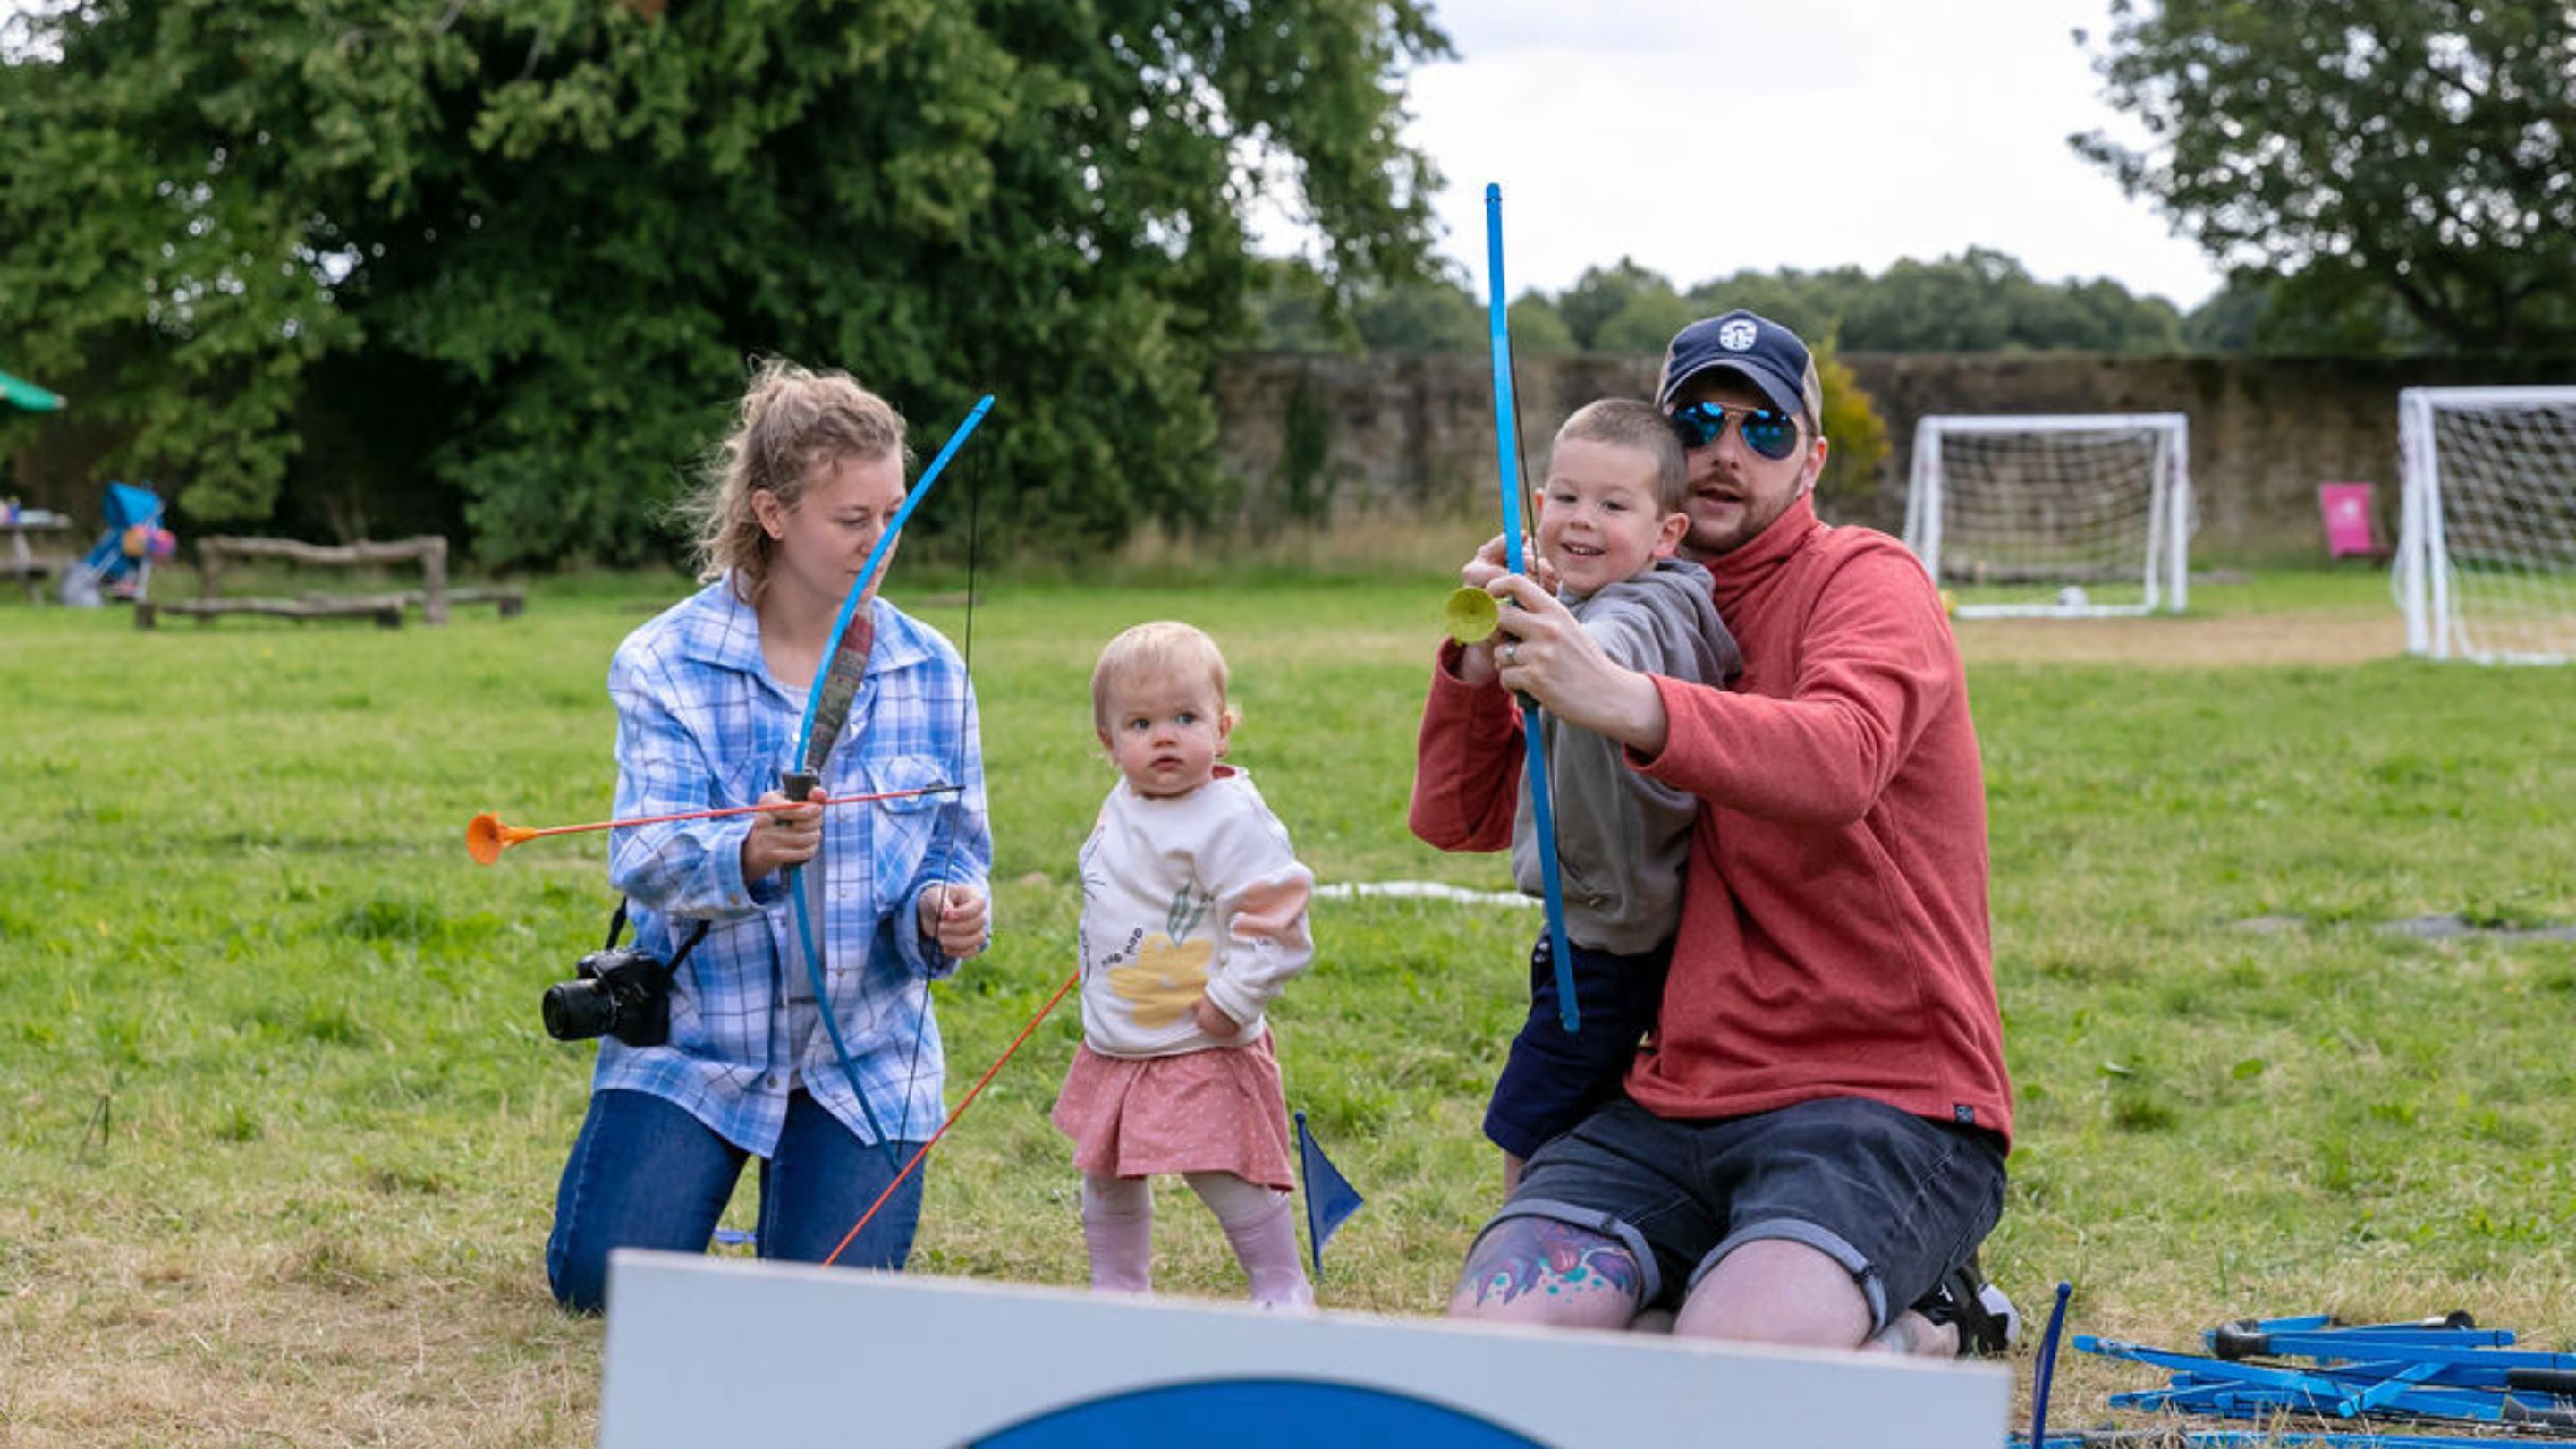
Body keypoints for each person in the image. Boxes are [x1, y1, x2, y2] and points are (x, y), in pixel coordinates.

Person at [1419, 310, 2013, 1355]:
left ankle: (1930, 1328)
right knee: (1498, 1345)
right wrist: (1482, 660)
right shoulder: (1607, 600)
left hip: (1881, 1096)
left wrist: (1627, 699)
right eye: (1698, 420)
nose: (1727, 450)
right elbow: (1458, 820)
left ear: (1813, 457)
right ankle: (1811, 1325)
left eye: (1766, 429)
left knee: (1732, 1370)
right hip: (1671, 1092)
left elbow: (1842, 758)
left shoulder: (1867, 579)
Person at [545, 359, 992, 1315]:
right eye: (852, 519)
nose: (882, 540)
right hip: (701, 1043)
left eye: (893, 513)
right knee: (600, 1289)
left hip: (864, 1052)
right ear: (775, 514)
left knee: (824, 1307)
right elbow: (642, 857)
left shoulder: (933, 670)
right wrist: (745, 855)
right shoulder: (665, 661)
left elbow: (957, 848)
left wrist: (945, 913)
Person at [1409, 398, 1739, 1192]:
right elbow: (1451, 808)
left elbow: (1607, 652)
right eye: (1564, 497)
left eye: (1613, 505)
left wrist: (1547, 629)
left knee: (1534, 1113)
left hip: (1612, 941)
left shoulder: (1647, 607)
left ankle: (1531, 1229)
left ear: (1667, 535)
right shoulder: (1597, 599)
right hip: (1592, 925)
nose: (1581, 520)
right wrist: (1503, 620)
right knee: (1576, 1103)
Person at [1052, 622, 1319, 1310]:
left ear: (1223, 728)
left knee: (1221, 1168)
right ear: (1109, 745)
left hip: (1196, 1037)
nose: (1164, 737)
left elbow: (1277, 918)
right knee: (1107, 1175)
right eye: (1140, 724)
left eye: (1185, 718)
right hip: (1121, 1041)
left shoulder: (1229, 818)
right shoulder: (1126, 801)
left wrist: (1233, 998)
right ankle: (1118, 1291)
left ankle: (1279, 1285)